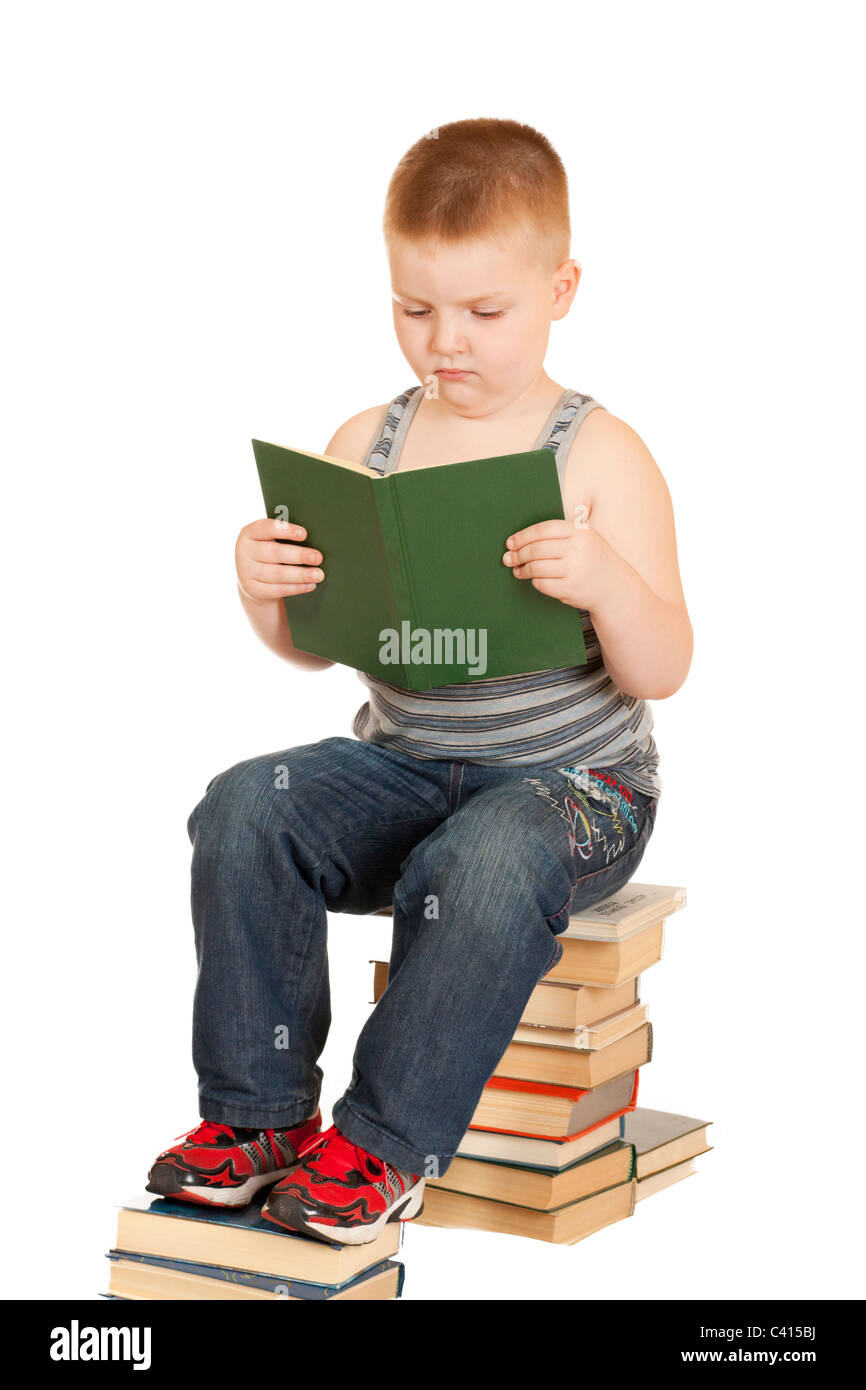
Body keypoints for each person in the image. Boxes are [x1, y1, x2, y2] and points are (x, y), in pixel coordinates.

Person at [146, 117, 692, 1247]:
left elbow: (664, 666)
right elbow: (313, 641)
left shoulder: (597, 451)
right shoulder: (369, 439)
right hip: (405, 771)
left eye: (482, 311)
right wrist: (265, 589)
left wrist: (601, 579)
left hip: (573, 789)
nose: (444, 342)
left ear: (560, 288)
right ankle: (256, 1114)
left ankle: (383, 1146)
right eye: (413, 307)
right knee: (247, 803)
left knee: (483, 855)